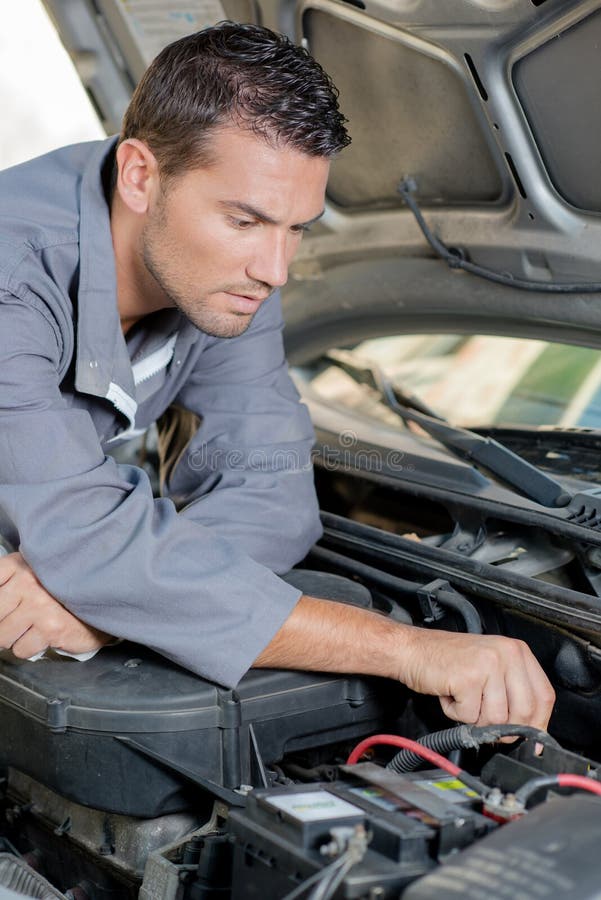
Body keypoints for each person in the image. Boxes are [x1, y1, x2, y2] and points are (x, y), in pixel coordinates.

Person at [0, 22, 554, 730]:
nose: (276, 269)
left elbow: (270, 490)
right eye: (246, 220)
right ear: (141, 176)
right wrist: (409, 650)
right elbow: (90, 543)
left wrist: (115, 600)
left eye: (296, 228)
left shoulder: (229, 277)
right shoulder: (13, 277)